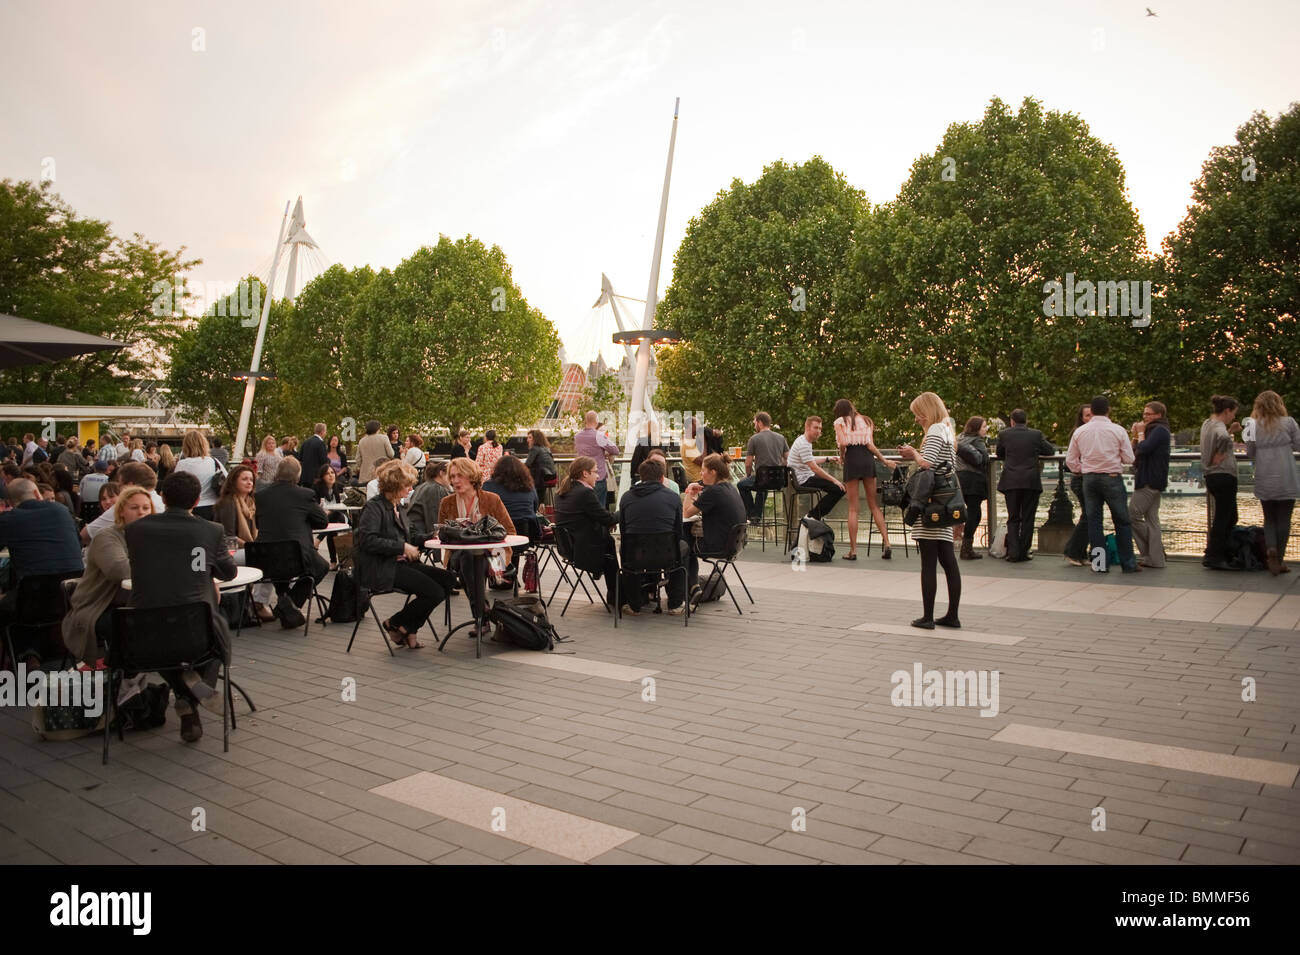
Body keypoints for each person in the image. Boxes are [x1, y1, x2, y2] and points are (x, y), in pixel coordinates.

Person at [124, 471, 236, 743]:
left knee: (165, 646)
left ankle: (187, 704)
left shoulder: (135, 530)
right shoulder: (210, 530)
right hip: (196, 630)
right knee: (219, 638)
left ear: (161, 497)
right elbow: (228, 573)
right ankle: (193, 693)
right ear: (197, 500)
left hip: (140, 634)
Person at [354, 460, 457, 649]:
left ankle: (405, 627)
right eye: (407, 485)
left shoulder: (398, 507)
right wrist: (402, 547)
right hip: (381, 567)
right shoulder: (374, 508)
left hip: (400, 564)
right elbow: (367, 540)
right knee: (434, 592)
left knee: (448, 579)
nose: (410, 488)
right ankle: (397, 624)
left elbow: (412, 535)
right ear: (395, 486)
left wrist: (431, 537)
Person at [61, 485, 154, 664]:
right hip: (99, 606)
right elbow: (120, 571)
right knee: (139, 627)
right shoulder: (108, 536)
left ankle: (141, 680)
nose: (141, 513)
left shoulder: (152, 536)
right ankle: (128, 679)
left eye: (145, 508)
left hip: (136, 604)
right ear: (121, 513)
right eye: (134, 508)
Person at [0, 478, 85, 668]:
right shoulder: (62, 512)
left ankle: (26, 653)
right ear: (38, 494)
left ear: (11, 503)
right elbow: (78, 544)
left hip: (31, 600)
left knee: (11, 609)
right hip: (71, 596)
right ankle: (33, 653)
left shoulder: (8, 520)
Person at [897, 393, 962, 629]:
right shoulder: (947, 430)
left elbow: (928, 464)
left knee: (928, 563)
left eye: (918, 415)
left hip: (931, 503)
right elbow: (948, 465)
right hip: (945, 502)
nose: (917, 420)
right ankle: (952, 615)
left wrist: (913, 453)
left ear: (927, 411)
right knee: (948, 561)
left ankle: (927, 617)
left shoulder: (935, 430)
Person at [437, 457, 517, 637]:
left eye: (460, 476)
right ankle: (484, 614)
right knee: (468, 558)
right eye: (452, 476)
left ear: (472, 477)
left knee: (470, 562)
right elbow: (441, 535)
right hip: (459, 556)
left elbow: (510, 531)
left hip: (494, 556)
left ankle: (481, 617)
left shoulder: (491, 499)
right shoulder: (447, 503)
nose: (455, 481)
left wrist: (487, 541)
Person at [254, 456, 329, 627]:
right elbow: (322, 522)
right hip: (296, 555)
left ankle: (286, 604)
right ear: (298, 475)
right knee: (321, 566)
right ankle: (290, 603)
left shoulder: (261, 496)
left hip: (264, 557)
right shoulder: (304, 494)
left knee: (280, 565)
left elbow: (259, 524)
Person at [1066, 395, 1138, 574]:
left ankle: (1099, 564)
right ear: (1108, 409)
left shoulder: (1080, 431)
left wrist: (1082, 469)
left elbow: (1070, 460)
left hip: (1089, 478)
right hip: (1112, 477)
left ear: (1093, 410)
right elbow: (1129, 458)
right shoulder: (1118, 430)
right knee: (1121, 521)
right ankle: (1128, 563)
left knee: (1094, 521)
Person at [620, 457, 687, 615]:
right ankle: (675, 604)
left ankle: (634, 604)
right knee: (684, 548)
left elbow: (623, 530)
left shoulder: (626, 497)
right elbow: (679, 531)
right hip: (667, 556)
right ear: (662, 477)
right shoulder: (673, 497)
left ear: (640, 476)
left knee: (626, 548)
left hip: (634, 557)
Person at [832, 399, 897, 561]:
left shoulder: (840, 422)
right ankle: (887, 542)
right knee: (874, 504)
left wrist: (841, 456)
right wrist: (884, 461)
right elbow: (871, 446)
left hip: (852, 459)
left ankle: (853, 551)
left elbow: (843, 442)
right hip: (868, 460)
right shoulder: (867, 421)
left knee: (853, 508)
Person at [553, 456, 621, 605]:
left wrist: (605, 523)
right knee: (610, 546)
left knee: (608, 541)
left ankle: (616, 594)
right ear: (585, 473)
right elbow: (607, 519)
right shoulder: (585, 493)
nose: (598, 475)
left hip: (568, 549)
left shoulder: (561, 493)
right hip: (586, 551)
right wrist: (625, 510)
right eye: (595, 472)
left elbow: (587, 519)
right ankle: (617, 596)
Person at [1245, 390, 1300, 575]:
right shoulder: (1289, 422)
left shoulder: (1251, 425)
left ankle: (1270, 549)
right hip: (1286, 475)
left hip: (1264, 475)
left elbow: (1249, 453)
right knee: (1284, 519)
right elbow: (1299, 445)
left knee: (1269, 518)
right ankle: (1280, 559)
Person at [214, 464, 277, 620]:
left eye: (251, 479)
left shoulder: (250, 502)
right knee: (268, 559)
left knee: (275, 557)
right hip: (228, 552)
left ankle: (259, 601)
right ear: (234, 482)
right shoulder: (228, 503)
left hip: (247, 548)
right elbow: (228, 537)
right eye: (244, 479)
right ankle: (259, 603)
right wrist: (252, 547)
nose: (249, 482)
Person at [684, 453, 748, 605]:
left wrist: (689, 492)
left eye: (703, 470)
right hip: (734, 546)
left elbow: (686, 513)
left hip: (717, 547)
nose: (701, 473)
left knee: (684, 545)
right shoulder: (731, 489)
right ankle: (692, 586)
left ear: (713, 472)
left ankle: (691, 586)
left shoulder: (713, 492)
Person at [995, 408, 1056, 563]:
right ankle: (1024, 551)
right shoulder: (1036, 434)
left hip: (1011, 480)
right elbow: (1050, 451)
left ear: (1012, 421)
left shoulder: (1004, 434)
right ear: (1026, 420)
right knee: (1028, 517)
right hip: (1031, 481)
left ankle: (1013, 552)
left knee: (1013, 517)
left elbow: (999, 454)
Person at [1200, 395, 1242, 570]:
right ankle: (1215, 555)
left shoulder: (1207, 424)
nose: (1233, 416)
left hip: (1211, 476)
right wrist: (1219, 455)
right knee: (1225, 517)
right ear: (1227, 410)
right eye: (1233, 413)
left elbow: (1219, 436)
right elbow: (1223, 439)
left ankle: (1215, 552)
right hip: (1224, 474)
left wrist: (1230, 430)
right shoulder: (1221, 430)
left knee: (1226, 516)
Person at [1130, 401, 1172, 569]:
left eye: (1148, 414)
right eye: (1144, 414)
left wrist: (1140, 433)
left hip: (1150, 479)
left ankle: (1155, 553)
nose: (1145, 417)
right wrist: (1135, 436)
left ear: (1158, 415)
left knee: (1131, 515)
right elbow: (1135, 452)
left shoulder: (1159, 430)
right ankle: (1155, 558)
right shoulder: (1152, 430)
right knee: (1152, 520)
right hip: (1153, 479)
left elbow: (1145, 448)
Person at [789, 416, 844, 521]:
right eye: (816, 428)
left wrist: (827, 458)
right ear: (807, 427)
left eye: (820, 428)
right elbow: (815, 468)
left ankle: (815, 515)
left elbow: (809, 459)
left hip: (806, 477)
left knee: (838, 488)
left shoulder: (804, 441)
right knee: (838, 489)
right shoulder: (803, 444)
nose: (818, 431)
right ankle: (813, 516)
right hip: (803, 480)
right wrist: (835, 480)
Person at [737, 412, 790, 522]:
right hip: (780, 480)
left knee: (742, 484)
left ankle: (752, 514)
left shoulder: (754, 439)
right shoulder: (781, 438)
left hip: (763, 479)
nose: (754, 425)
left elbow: (748, 463)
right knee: (762, 484)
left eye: (754, 423)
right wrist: (780, 470)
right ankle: (756, 516)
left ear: (759, 422)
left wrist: (747, 476)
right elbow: (788, 459)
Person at [1061, 404, 1094, 566]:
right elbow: (1071, 458)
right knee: (1088, 515)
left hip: (1087, 478)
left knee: (1089, 515)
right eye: (1087, 415)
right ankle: (1072, 551)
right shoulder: (1078, 433)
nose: (1090, 418)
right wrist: (1082, 470)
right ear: (1081, 418)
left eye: (1092, 415)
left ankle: (1080, 553)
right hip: (1081, 478)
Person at [955, 417, 990, 560]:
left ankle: (966, 546)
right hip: (974, 481)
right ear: (976, 429)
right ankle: (966, 548)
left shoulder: (959, 438)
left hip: (959, 479)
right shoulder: (977, 441)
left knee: (971, 513)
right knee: (974, 514)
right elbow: (985, 459)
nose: (986, 429)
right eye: (984, 427)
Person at [172, 429, 226, 520]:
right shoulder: (214, 462)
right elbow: (227, 480)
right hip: (213, 506)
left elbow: (175, 486)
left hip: (190, 508)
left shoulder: (182, 464)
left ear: (186, 446)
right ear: (204, 444)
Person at [574, 412, 619, 506]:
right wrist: (605, 453)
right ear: (597, 421)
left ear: (585, 421)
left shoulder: (577, 437)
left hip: (583, 477)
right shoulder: (599, 435)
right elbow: (615, 450)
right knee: (599, 507)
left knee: (585, 507)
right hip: (597, 477)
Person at [483, 454, 540, 528]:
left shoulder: (488, 486)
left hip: (498, 531)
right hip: (527, 531)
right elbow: (534, 507)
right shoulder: (529, 486)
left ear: (497, 469)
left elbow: (483, 509)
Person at [406, 459, 452, 543]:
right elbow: (435, 522)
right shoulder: (436, 489)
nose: (452, 479)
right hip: (421, 536)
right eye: (451, 475)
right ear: (441, 473)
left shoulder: (424, 486)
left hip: (414, 534)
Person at [312, 464, 345, 571]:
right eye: (327, 473)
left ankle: (318, 540)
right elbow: (316, 506)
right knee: (332, 531)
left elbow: (342, 506)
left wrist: (329, 511)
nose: (331, 475)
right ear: (322, 477)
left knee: (335, 514)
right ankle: (333, 562)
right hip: (322, 518)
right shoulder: (317, 488)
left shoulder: (339, 487)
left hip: (338, 516)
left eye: (332, 472)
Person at [356, 419, 394, 484]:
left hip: (365, 476)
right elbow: (391, 454)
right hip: (381, 474)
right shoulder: (384, 438)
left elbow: (358, 460)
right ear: (378, 428)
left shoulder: (362, 441)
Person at [524, 430, 557, 498]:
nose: (527, 440)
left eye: (530, 438)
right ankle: (541, 504)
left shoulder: (534, 449)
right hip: (551, 477)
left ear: (535, 439)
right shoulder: (546, 449)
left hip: (540, 480)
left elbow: (527, 465)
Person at [299, 423, 328, 488]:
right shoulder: (320, 443)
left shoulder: (305, 442)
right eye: (325, 431)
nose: (325, 433)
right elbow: (324, 461)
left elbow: (300, 458)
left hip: (304, 477)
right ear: (322, 431)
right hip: (316, 478)